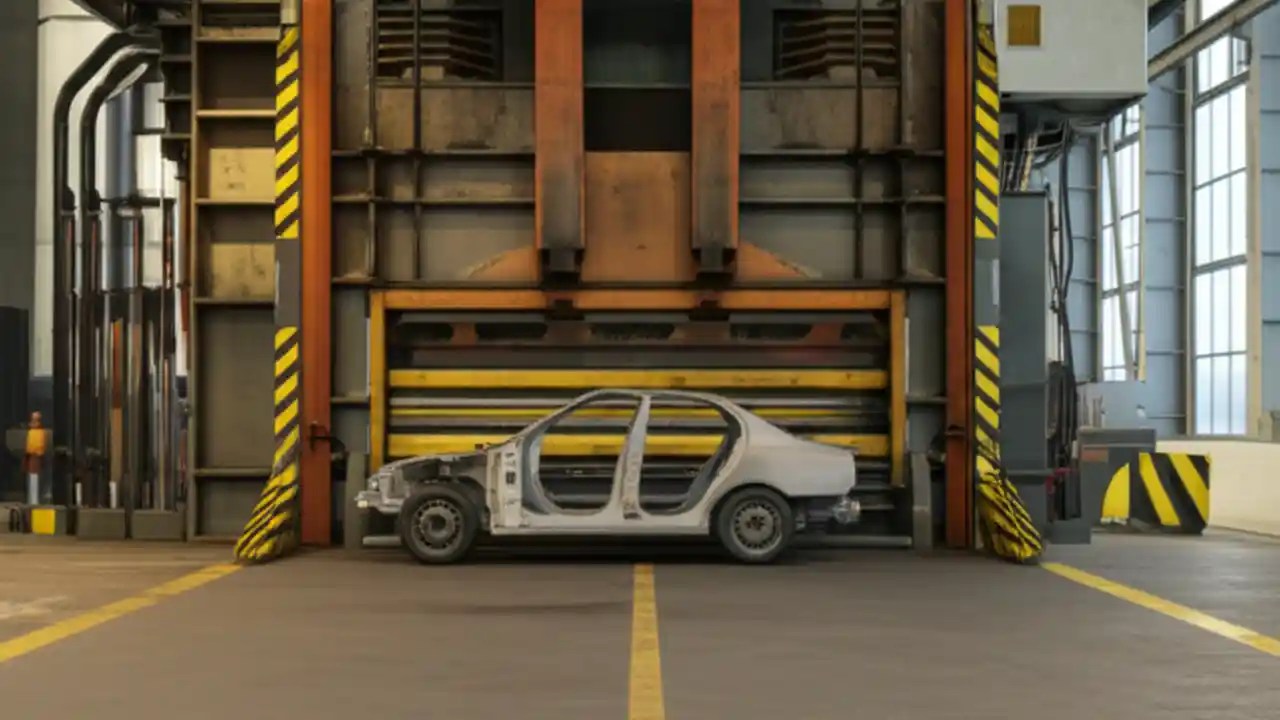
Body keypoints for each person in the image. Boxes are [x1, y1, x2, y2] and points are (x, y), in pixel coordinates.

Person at [24, 412, 47, 505]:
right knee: (32, 480)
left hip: (35, 459)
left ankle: (34, 501)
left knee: (35, 480)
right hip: (31, 459)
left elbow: (35, 447)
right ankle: (32, 500)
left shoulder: (39, 433)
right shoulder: (32, 432)